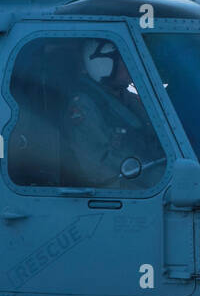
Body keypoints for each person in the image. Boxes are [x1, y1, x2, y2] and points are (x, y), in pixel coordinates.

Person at [62, 39, 163, 189]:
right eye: (124, 60)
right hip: (122, 188)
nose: (131, 65)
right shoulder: (83, 106)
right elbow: (97, 169)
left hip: (144, 171)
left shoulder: (129, 99)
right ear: (102, 64)